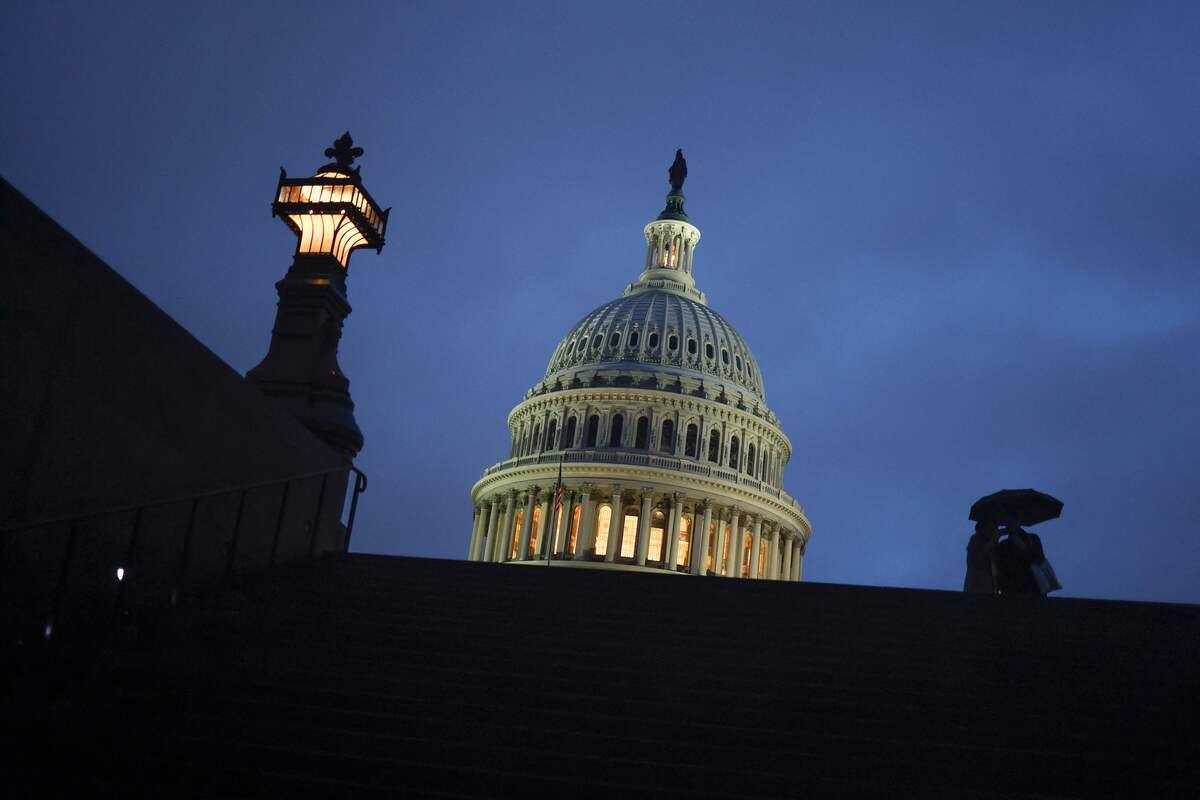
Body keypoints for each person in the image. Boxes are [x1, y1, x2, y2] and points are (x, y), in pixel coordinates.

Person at [992, 520, 1047, 595]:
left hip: (1032, 588)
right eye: (1008, 522)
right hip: (1010, 589)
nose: (1011, 525)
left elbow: (1039, 559)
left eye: (1014, 521)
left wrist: (1023, 547)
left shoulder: (1032, 538)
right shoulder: (1003, 544)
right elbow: (998, 564)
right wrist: (995, 540)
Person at [964, 519, 999, 593]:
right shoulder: (975, 538)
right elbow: (977, 557)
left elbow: (994, 565)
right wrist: (992, 541)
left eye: (993, 528)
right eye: (989, 527)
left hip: (988, 585)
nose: (991, 530)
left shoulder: (993, 543)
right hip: (975, 584)